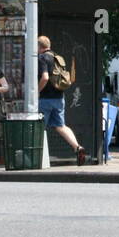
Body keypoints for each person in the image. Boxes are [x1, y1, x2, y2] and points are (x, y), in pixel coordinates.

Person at [38, 35, 86, 165]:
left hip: (45, 99)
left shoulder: (42, 58)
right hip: (59, 97)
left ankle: (38, 158)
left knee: (39, 127)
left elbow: (45, 77)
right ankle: (77, 147)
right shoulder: (58, 57)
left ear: (39, 46)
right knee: (60, 126)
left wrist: (36, 91)